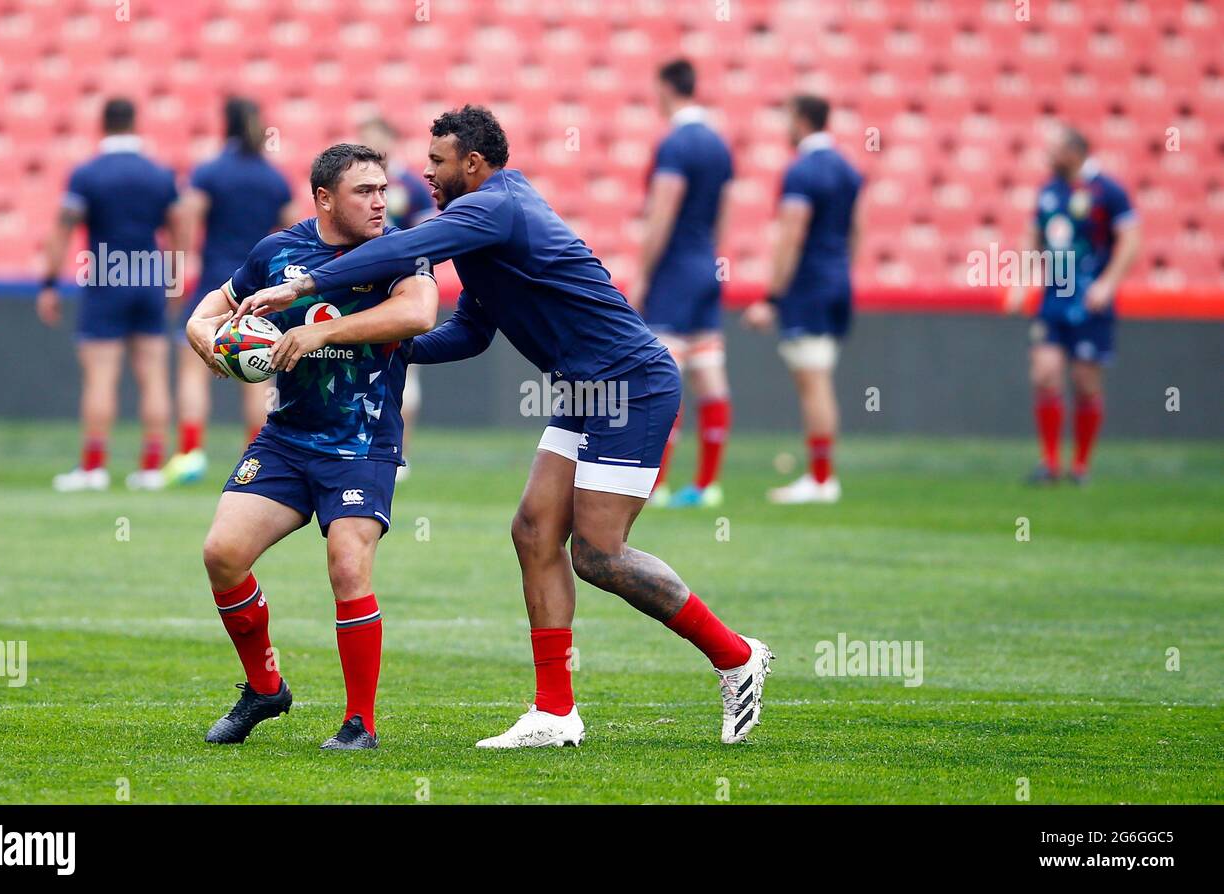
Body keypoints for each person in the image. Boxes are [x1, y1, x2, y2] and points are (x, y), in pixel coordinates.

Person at [236, 106, 773, 748]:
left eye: (436, 162)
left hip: (631, 386)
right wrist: (374, 345)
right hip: (584, 389)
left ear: (473, 163)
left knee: (598, 555)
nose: (424, 174)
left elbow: (405, 248)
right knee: (532, 532)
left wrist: (306, 290)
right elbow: (470, 331)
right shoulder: (482, 229)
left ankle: (737, 657)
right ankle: (555, 713)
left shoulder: (494, 207)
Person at [186, 144, 439, 750]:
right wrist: (200, 330)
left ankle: (360, 724)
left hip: (363, 440)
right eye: (363, 191)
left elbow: (421, 313)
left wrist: (319, 329)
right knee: (222, 553)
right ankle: (265, 689)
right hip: (288, 437)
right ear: (324, 198)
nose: (381, 201)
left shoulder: (399, 249)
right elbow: (214, 306)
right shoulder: (276, 251)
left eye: (382, 189)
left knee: (348, 564)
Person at [37, 98, 182, 491]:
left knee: (101, 376)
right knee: (153, 375)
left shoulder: (87, 174)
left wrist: (49, 283)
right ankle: (152, 468)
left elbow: (63, 229)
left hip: (105, 276)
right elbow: (178, 227)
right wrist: (176, 278)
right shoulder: (159, 174)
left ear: (103, 125)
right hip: (151, 277)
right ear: (135, 123)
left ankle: (94, 468)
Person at [165, 98, 294, 486]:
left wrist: (180, 265)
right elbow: (289, 231)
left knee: (193, 366)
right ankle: (254, 457)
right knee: (259, 369)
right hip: (262, 286)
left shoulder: (210, 172)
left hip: (219, 283)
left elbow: (188, 218)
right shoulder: (274, 178)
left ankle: (190, 454)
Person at [743, 94, 863, 505]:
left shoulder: (801, 171)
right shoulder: (849, 169)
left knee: (813, 382)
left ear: (800, 120)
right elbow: (856, 230)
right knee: (819, 376)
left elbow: (791, 233)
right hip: (837, 281)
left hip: (809, 287)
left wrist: (772, 297)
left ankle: (821, 478)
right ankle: (821, 474)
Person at [1006, 125, 1140, 484]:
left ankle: (1080, 466)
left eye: (1054, 149)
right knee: (1044, 373)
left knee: (1085, 381)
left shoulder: (1108, 191)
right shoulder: (1049, 191)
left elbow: (1130, 239)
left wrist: (1108, 284)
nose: (1048, 156)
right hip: (1055, 298)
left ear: (1075, 152)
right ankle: (1049, 463)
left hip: (1090, 300)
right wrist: (1020, 284)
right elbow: (1033, 236)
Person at [628, 59, 735, 509]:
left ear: (667, 88)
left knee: (663, 378)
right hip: (706, 265)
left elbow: (662, 213)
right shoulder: (719, 144)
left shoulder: (675, 145)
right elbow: (723, 214)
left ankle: (657, 485)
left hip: (674, 272)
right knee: (710, 376)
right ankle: (707, 485)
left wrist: (643, 275)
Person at [358, 116, 438, 482]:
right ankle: (360, 441)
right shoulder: (352, 185)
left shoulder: (411, 185)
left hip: (398, 285)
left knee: (403, 370)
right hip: (360, 284)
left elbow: (428, 236)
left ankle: (400, 450)